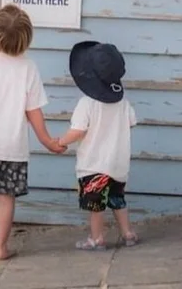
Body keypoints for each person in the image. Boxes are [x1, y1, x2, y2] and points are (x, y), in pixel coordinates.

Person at [0, 4, 63, 260]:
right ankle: (1, 247)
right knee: (6, 197)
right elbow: (34, 112)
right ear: (26, 38)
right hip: (13, 148)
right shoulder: (28, 68)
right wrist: (48, 141)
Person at [56, 40, 139, 250]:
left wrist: (60, 142)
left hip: (94, 165)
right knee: (118, 200)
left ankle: (97, 238)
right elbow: (131, 124)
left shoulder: (87, 104)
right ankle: (127, 233)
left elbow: (78, 131)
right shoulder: (123, 103)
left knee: (96, 205)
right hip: (118, 165)